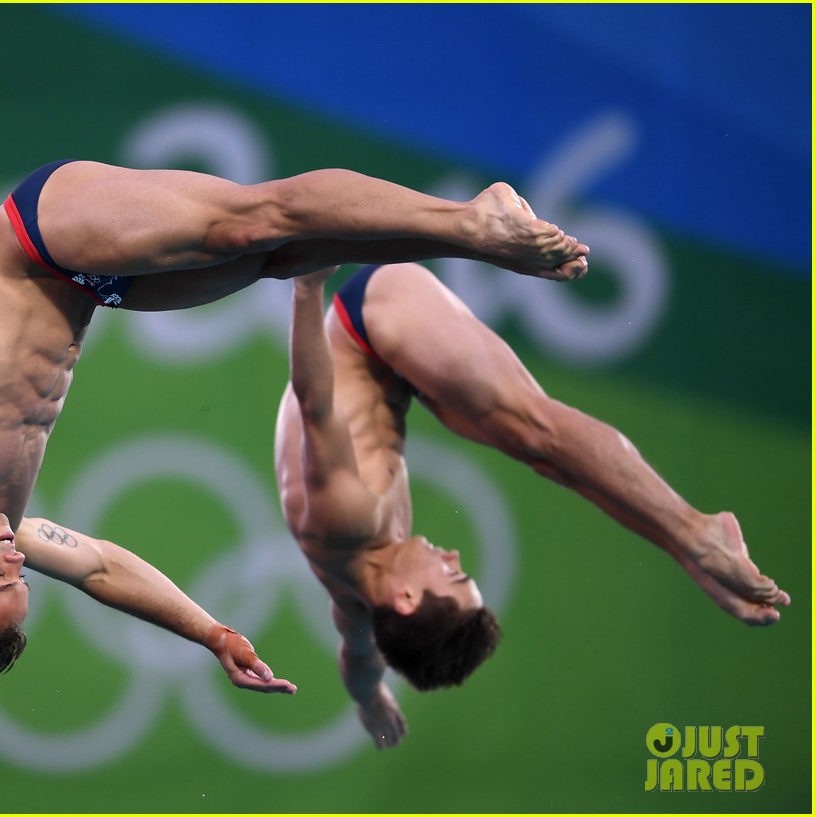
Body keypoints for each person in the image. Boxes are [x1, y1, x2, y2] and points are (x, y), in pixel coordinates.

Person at [0, 152, 589, 694]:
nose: (18, 562)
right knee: (290, 253)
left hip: (42, 235)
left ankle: (478, 226)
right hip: (96, 285)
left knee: (257, 219)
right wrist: (211, 631)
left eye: (0, 579)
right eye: (23, 582)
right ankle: (467, 230)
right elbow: (99, 568)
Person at [273, 262, 791, 749]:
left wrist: (306, 286)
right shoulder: (359, 606)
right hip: (390, 373)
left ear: (406, 599)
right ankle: (687, 552)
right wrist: (369, 704)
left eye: (452, 576)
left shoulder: (343, 519)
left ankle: (697, 536)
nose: (453, 556)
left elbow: (316, 401)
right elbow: (359, 665)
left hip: (369, 318)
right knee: (548, 460)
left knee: (537, 430)